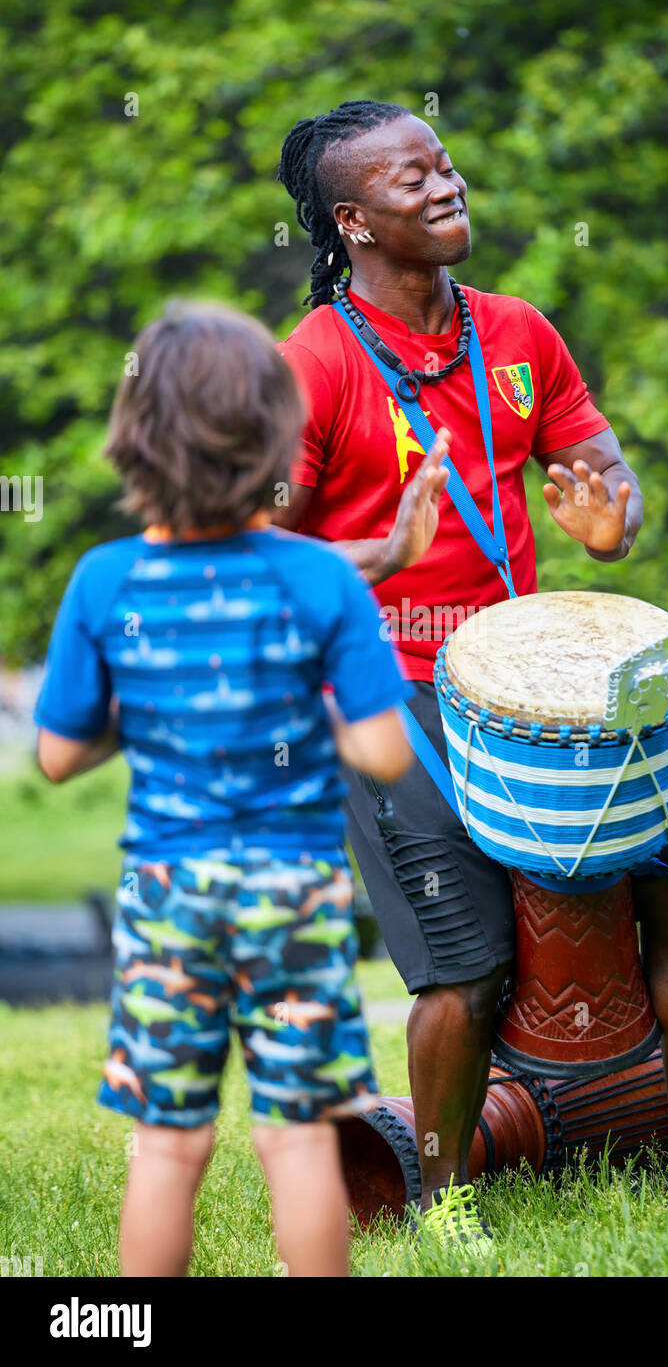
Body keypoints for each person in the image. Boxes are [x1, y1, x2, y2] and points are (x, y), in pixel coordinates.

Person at [274, 100, 668, 1246]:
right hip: (387, 693)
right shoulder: (310, 367)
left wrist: (612, 524)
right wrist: (380, 557)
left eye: (447, 165)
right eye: (411, 179)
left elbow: (601, 468)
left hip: (541, 679)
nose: (446, 185)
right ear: (352, 219)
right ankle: (446, 1195)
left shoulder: (514, 331)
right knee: (463, 969)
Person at [33, 300, 434, 1277]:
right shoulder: (318, 579)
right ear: (276, 439)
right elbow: (384, 754)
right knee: (297, 1136)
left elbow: (57, 755)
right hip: (290, 893)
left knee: (168, 1143)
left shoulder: (103, 580)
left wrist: (166, 706)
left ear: (136, 438)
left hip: (166, 896)